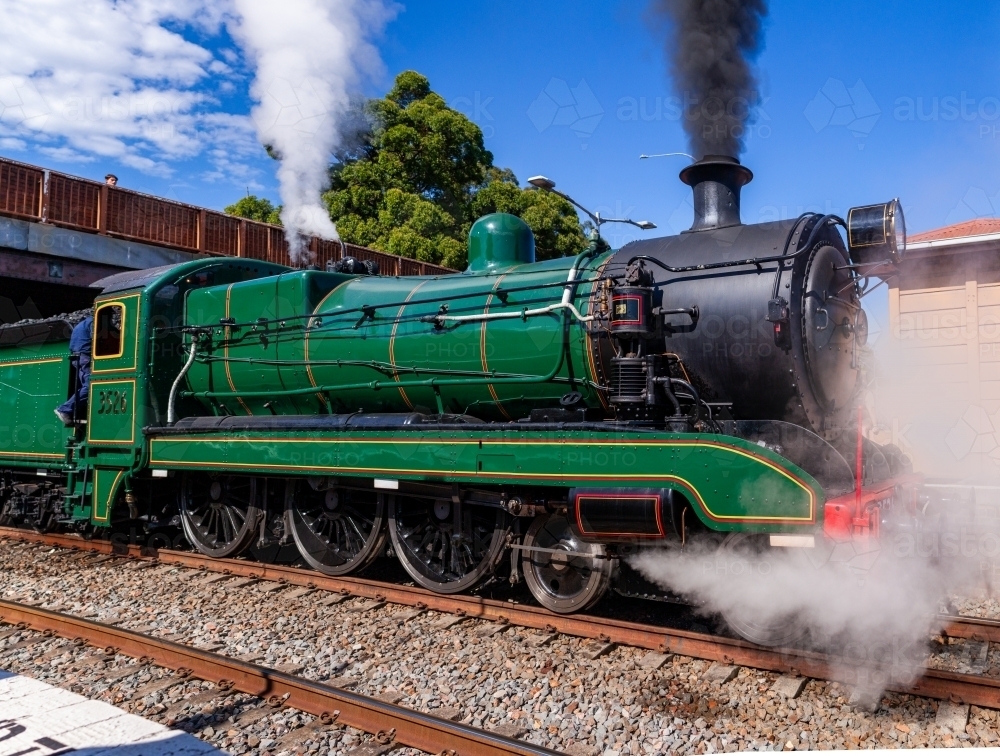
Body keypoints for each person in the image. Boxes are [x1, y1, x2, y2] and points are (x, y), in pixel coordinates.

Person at [55, 315, 94, 425]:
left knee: (85, 386)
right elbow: (96, 339)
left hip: (77, 357)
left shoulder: (80, 325)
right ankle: (64, 409)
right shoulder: (92, 323)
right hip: (85, 357)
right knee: (91, 386)